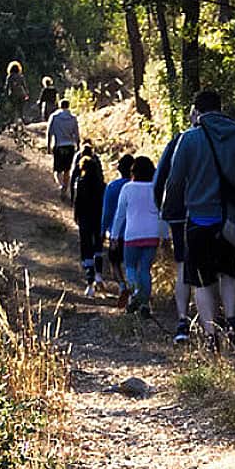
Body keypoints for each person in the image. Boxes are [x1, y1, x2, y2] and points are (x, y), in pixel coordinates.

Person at [162, 90, 235, 351]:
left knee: (201, 278)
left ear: (196, 110)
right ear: (221, 109)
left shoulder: (188, 139)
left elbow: (174, 180)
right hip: (231, 221)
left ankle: (211, 335)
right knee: (229, 270)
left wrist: (169, 209)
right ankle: (231, 321)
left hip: (199, 219)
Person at [154, 116, 197, 343]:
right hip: (216, 214)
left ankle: (183, 320)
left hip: (180, 214)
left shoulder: (180, 140)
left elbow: (161, 177)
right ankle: (216, 320)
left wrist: (162, 209)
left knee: (183, 266)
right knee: (211, 267)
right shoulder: (228, 139)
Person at [111, 156, 167, 319]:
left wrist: (114, 236)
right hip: (152, 234)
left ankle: (136, 293)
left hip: (132, 234)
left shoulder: (128, 188)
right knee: (145, 270)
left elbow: (119, 215)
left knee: (130, 267)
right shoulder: (156, 189)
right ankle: (144, 303)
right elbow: (162, 213)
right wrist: (165, 236)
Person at [103, 153, 135, 307]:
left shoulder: (112, 186)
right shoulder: (139, 186)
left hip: (117, 233)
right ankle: (134, 291)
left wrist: (103, 230)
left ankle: (122, 286)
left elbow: (107, 212)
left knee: (115, 263)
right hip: (135, 232)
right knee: (133, 265)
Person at [73, 154, 106, 297]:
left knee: (86, 249)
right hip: (98, 218)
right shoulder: (102, 185)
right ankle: (99, 274)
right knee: (98, 247)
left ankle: (90, 283)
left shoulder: (81, 182)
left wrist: (76, 217)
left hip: (85, 219)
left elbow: (77, 202)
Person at [45, 99, 80, 192]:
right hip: (70, 146)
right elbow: (76, 133)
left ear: (60, 106)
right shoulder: (73, 118)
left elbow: (49, 132)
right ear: (68, 106)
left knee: (57, 170)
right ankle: (65, 186)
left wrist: (48, 146)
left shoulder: (54, 117)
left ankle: (61, 185)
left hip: (59, 145)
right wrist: (78, 144)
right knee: (67, 169)